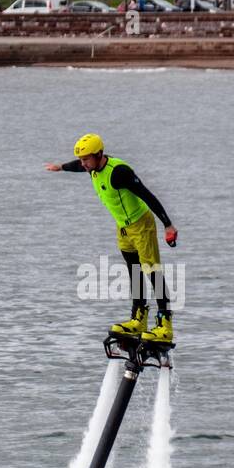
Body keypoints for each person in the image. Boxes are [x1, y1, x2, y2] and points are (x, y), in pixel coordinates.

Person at [45, 133, 178, 343]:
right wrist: (60, 167)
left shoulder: (119, 172)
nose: (83, 164)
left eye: (86, 159)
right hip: (123, 227)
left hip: (141, 224)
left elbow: (147, 195)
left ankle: (164, 324)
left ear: (99, 154)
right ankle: (138, 319)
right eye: (82, 159)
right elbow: (77, 166)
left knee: (151, 270)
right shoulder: (91, 168)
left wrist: (168, 225)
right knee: (134, 271)